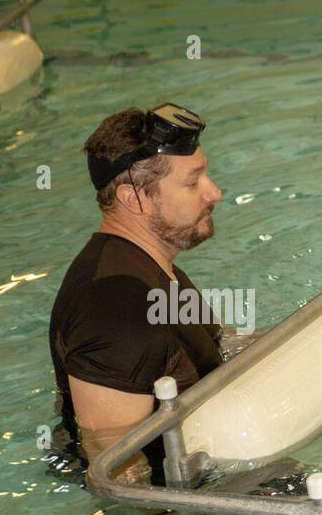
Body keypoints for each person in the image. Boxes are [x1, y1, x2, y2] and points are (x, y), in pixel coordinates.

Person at [48, 103, 228, 487]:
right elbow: (113, 466)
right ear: (135, 199)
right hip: (193, 508)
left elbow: (202, 348)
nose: (215, 193)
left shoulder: (145, 265)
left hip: (210, 466)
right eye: (192, 182)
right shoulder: (115, 307)